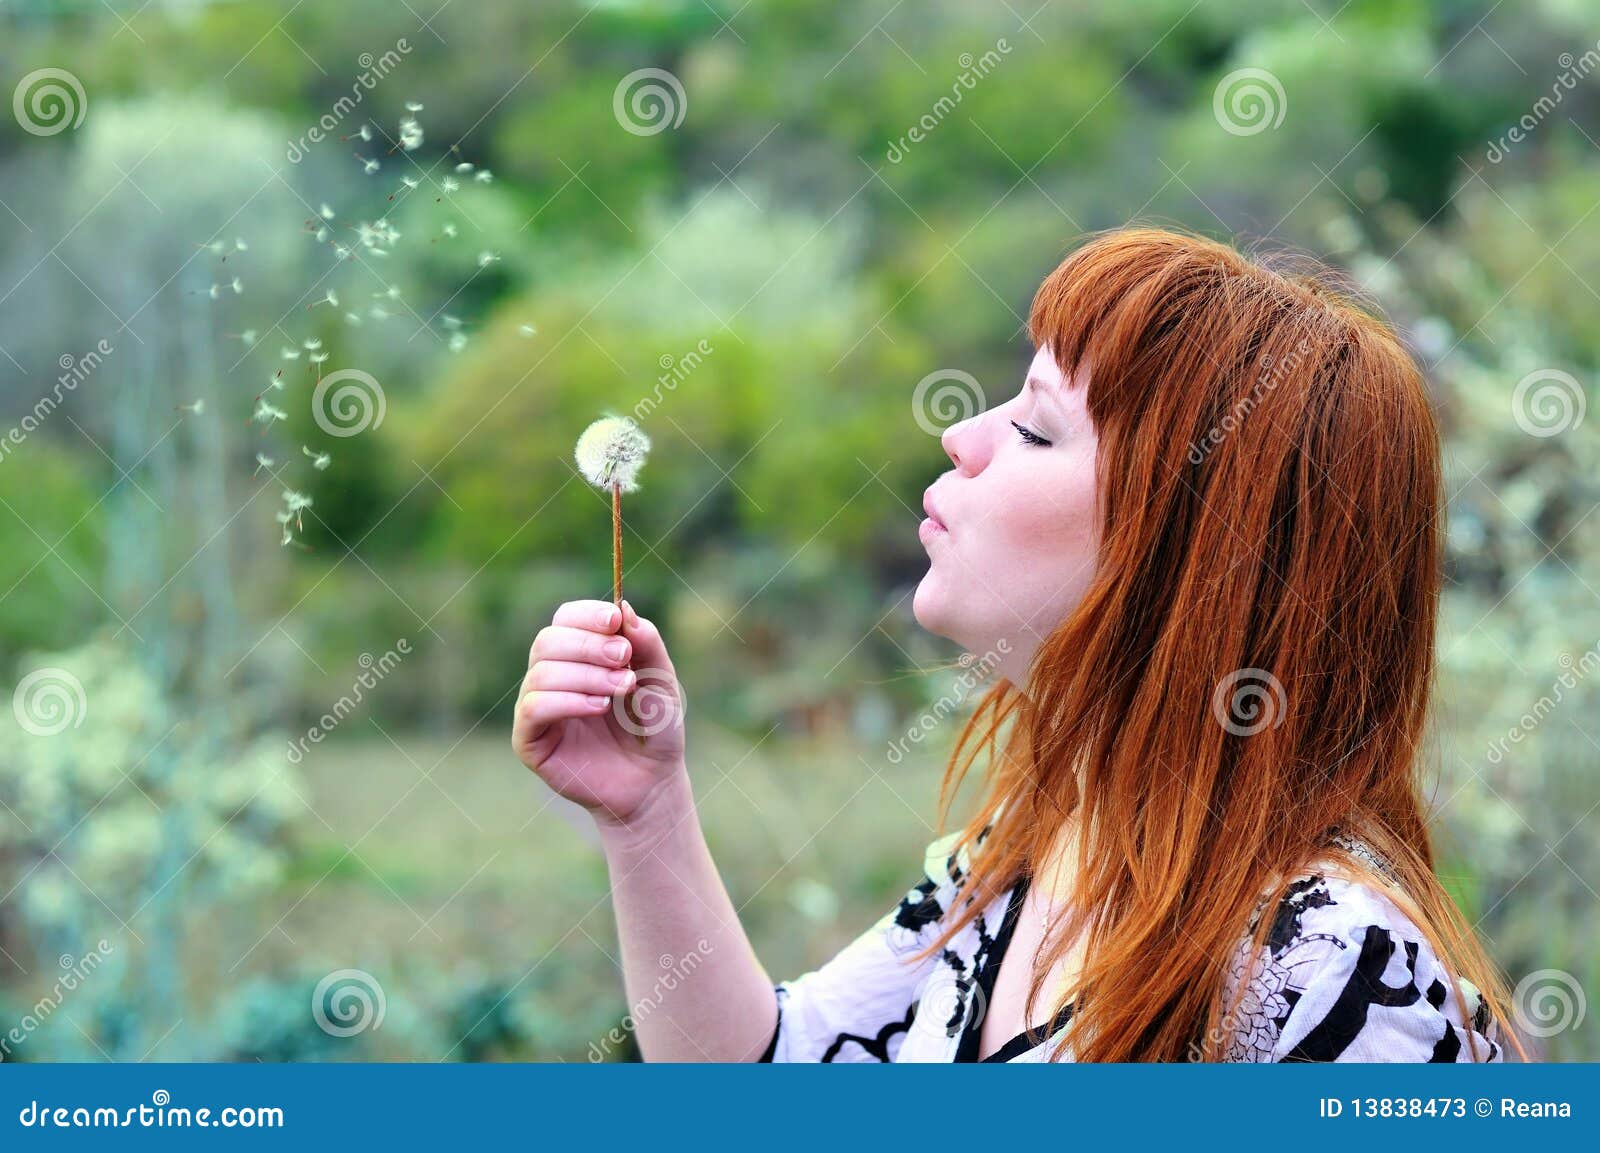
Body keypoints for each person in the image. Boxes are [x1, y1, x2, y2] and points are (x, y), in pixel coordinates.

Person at [512, 224, 1526, 1063]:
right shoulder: (1006, 874)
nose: (964, 436)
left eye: (1037, 429)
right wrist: (644, 816)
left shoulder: (1324, 972)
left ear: (1190, 551)